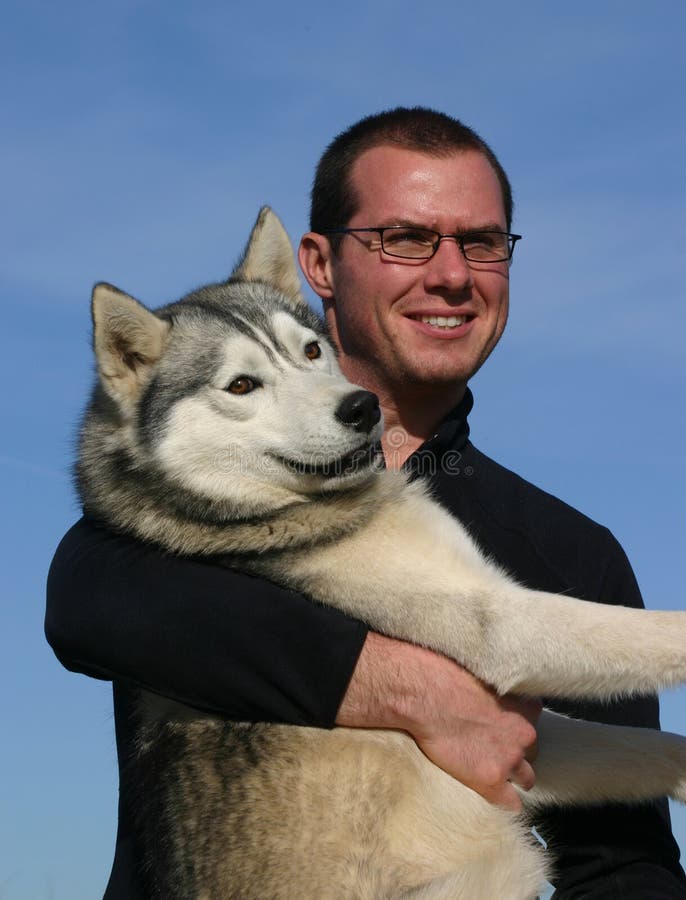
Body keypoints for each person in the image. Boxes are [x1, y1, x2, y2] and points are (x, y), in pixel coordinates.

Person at [46, 107, 686, 898]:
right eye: (406, 239)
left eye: (482, 242)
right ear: (319, 264)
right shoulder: (195, 516)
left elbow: (621, 865)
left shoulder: (570, 552)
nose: (451, 274)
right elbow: (79, 602)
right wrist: (407, 692)